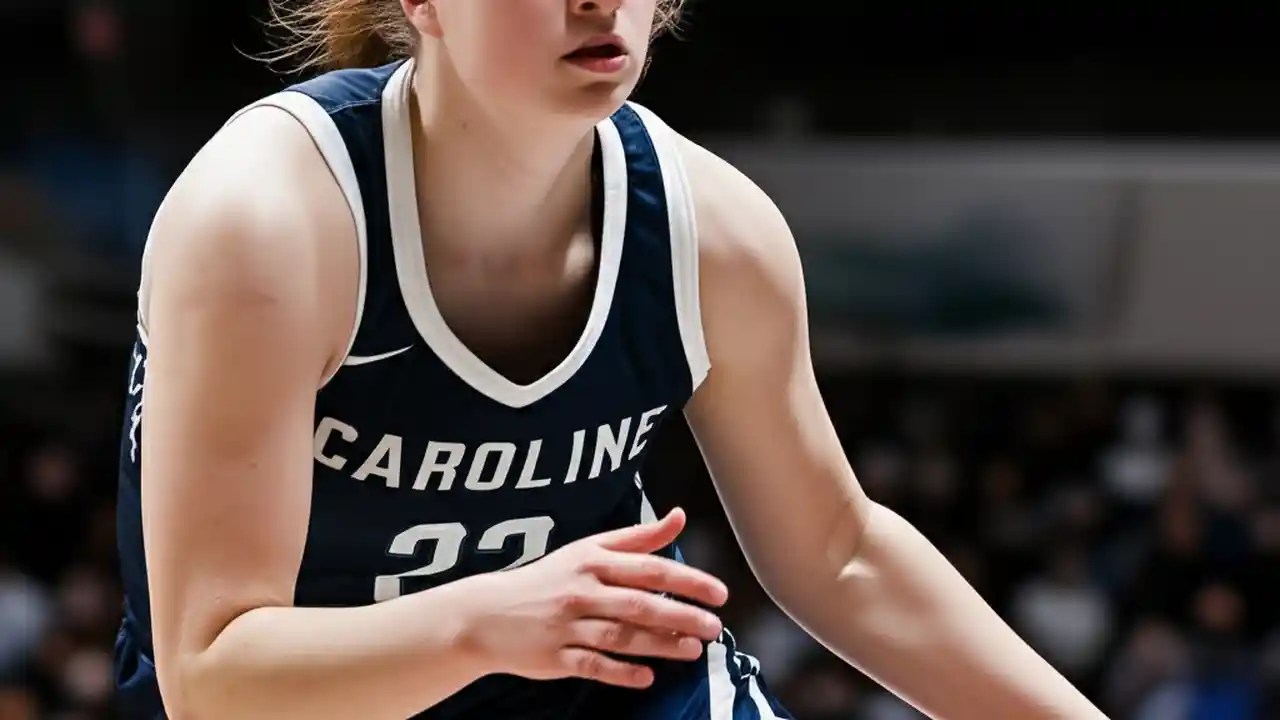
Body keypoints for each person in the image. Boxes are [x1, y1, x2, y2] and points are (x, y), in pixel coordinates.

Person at [111, 0, 1109, 718]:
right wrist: (488, 622)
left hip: (609, 689)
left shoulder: (713, 233)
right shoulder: (266, 221)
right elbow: (216, 676)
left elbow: (837, 554)